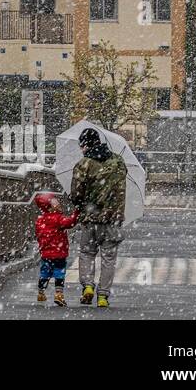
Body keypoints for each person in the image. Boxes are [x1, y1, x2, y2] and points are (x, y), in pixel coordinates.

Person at [70, 126, 128, 308]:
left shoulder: (84, 164)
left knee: (87, 253)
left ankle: (88, 286)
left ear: (86, 145)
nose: (82, 150)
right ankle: (103, 296)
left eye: (82, 146)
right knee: (108, 258)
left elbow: (76, 193)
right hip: (112, 219)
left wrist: (80, 205)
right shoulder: (118, 162)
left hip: (90, 218)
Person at [33, 192, 78, 306]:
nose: (58, 203)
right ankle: (59, 294)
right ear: (50, 206)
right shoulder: (58, 218)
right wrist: (77, 212)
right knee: (59, 272)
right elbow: (70, 223)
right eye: (55, 202)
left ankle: (41, 292)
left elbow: (39, 235)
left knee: (44, 273)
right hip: (59, 253)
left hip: (46, 253)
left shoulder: (40, 220)